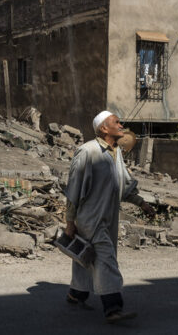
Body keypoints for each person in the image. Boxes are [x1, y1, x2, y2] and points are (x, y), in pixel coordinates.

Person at [63, 110, 156, 323]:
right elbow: (73, 190)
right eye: (116, 121)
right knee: (106, 259)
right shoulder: (87, 152)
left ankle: (76, 294)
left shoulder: (116, 153)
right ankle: (113, 308)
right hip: (91, 219)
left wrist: (142, 203)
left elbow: (123, 186)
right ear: (104, 128)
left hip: (108, 218)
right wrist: (70, 222)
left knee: (87, 258)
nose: (121, 124)